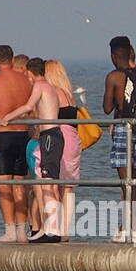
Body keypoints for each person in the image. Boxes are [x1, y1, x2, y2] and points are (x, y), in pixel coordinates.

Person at [3, 57, 64, 242]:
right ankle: (54, 229)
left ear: (30, 72)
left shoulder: (40, 86)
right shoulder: (51, 87)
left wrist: (8, 118)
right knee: (51, 184)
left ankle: (51, 230)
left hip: (49, 136)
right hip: (55, 136)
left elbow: (29, 106)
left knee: (46, 183)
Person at [103, 35, 136, 244]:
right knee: (132, 181)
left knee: (124, 182)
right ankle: (133, 227)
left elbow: (107, 108)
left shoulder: (114, 76)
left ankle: (129, 227)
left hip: (123, 129)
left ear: (115, 56)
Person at [0, 44, 33, 242]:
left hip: (1, 135)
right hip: (23, 134)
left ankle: (9, 229)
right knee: (19, 183)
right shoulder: (25, 81)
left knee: (3, 184)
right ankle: (21, 231)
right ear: (12, 60)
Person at [45, 59, 83, 240]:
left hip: (60, 139)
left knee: (53, 184)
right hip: (73, 141)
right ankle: (65, 232)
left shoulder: (54, 93)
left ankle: (55, 228)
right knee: (68, 187)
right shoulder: (69, 95)